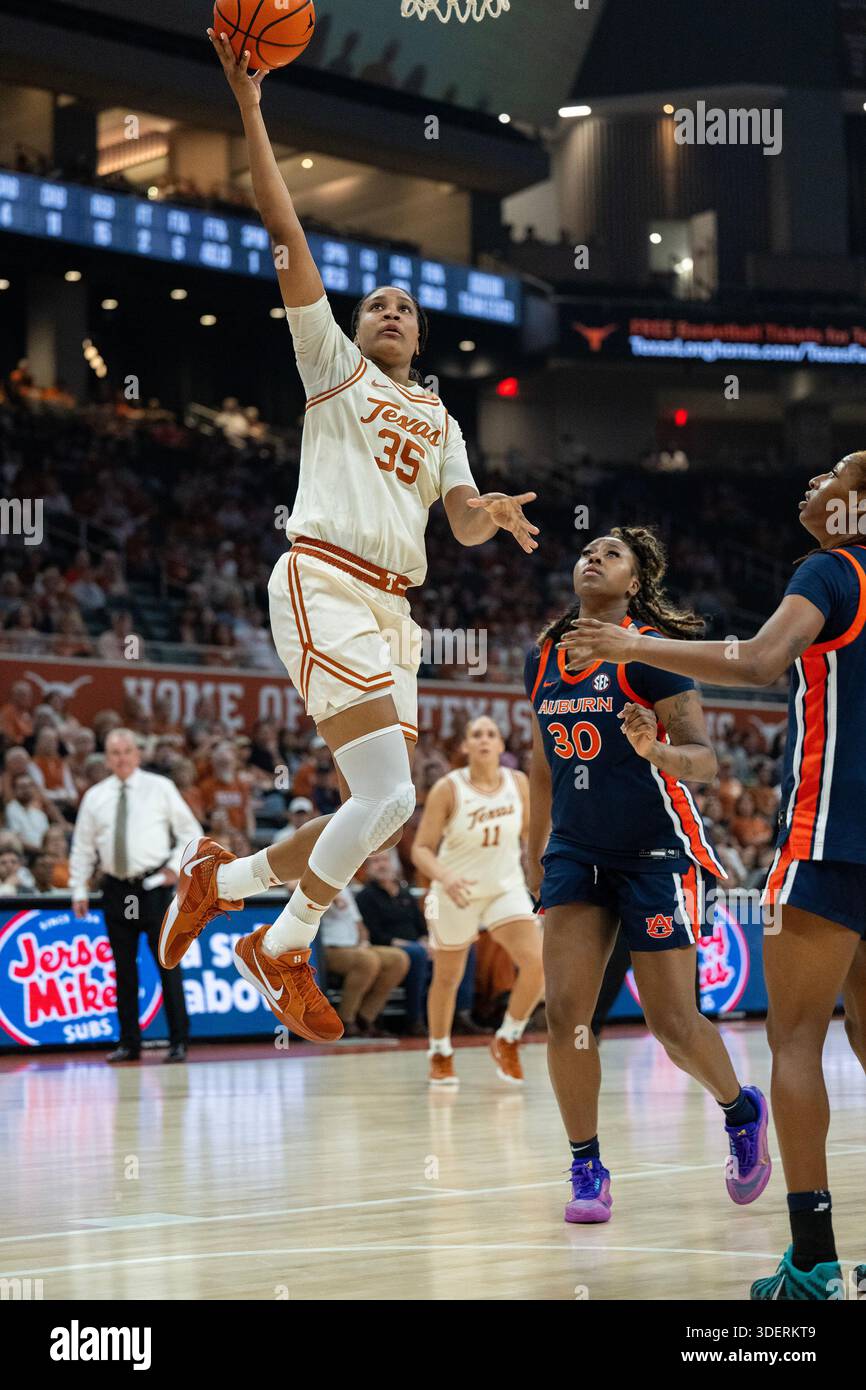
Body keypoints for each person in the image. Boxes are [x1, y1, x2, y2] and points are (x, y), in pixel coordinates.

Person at [159, 30, 538, 1048]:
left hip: (396, 607)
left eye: (405, 308)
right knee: (386, 794)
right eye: (376, 301)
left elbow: (455, 520)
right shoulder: (331, 364)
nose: (389, 311)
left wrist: (489, 513)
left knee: (379, 811)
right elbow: (284, 229)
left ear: (420, 337)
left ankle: (223, 881)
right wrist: (250, 110)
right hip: (322, 576)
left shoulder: (445, 421)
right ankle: (280, 939)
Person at [563, 460, 866, 1299]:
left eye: (832, 473)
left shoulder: (832, 569)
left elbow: (766, 659)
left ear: (857, 504)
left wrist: (634, 643)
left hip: (831, 835)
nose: (811, 481)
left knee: (795, 1040)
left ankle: (812, 1261)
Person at [527, 527, 770, 1226]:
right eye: (587, 550)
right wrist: (535, 856)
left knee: (672, 1023)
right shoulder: (542, 658)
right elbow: (544, 763)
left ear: (634, 582)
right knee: (568, 1018)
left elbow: (705, 761)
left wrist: (654, 750)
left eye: (612, 553)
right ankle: (586, 1165)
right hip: (575, 852)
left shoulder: (652, 658)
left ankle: (739, 1109)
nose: (593, 557)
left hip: (654, 851)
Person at [410, 716, 543, 1086]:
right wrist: (446, 876)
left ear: (502, 745)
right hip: (457, 889)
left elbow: (532, 838)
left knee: (537, 963)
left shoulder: (519, 783)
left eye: (491, 734)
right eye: (476, 735)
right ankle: (439, 1050)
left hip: (504, 888)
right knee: (449, 976)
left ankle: (508, 1038)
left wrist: (541, 877)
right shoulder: (449, 789)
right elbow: (420, 850)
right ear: (465, 746)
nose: (484, 740)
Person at [70, 729, 202, 1064]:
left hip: (154, 887)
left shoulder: (160, 788)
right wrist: (79, 888)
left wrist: (175, 868)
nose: (122, 758)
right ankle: (129, 1043)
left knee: (167, 964)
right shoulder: (95, 796)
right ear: (107, 757)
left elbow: (191, 832)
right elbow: (83, 847)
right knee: (123, 969)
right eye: (115, 752)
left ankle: (179, 1041)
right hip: (116, 888)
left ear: (138, 754)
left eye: (127, 751)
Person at [355, 851, 433, 1035]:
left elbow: (421, 926)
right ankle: (414, 1020)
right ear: (367, 869)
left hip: (415, 945)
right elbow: (375, 934)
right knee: (417, 953)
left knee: (459, 951)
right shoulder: (366, 896)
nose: (381, 865)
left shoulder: (405, 893)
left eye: (384, 860)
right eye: (375, 862)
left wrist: (426, 940)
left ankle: (461, 1014)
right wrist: (407, 944)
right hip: (388, 946)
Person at [319, 889, 409, 1037]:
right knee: (367, 960)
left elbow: (359, 924)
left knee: (398, 959)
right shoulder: (310, 877)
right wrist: (330, 893)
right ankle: (345, 1020)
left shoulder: (345, 886)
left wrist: (364, 941)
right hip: (327, 948)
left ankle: (365, 1018)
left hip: (354, 947)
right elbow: (292, 884)